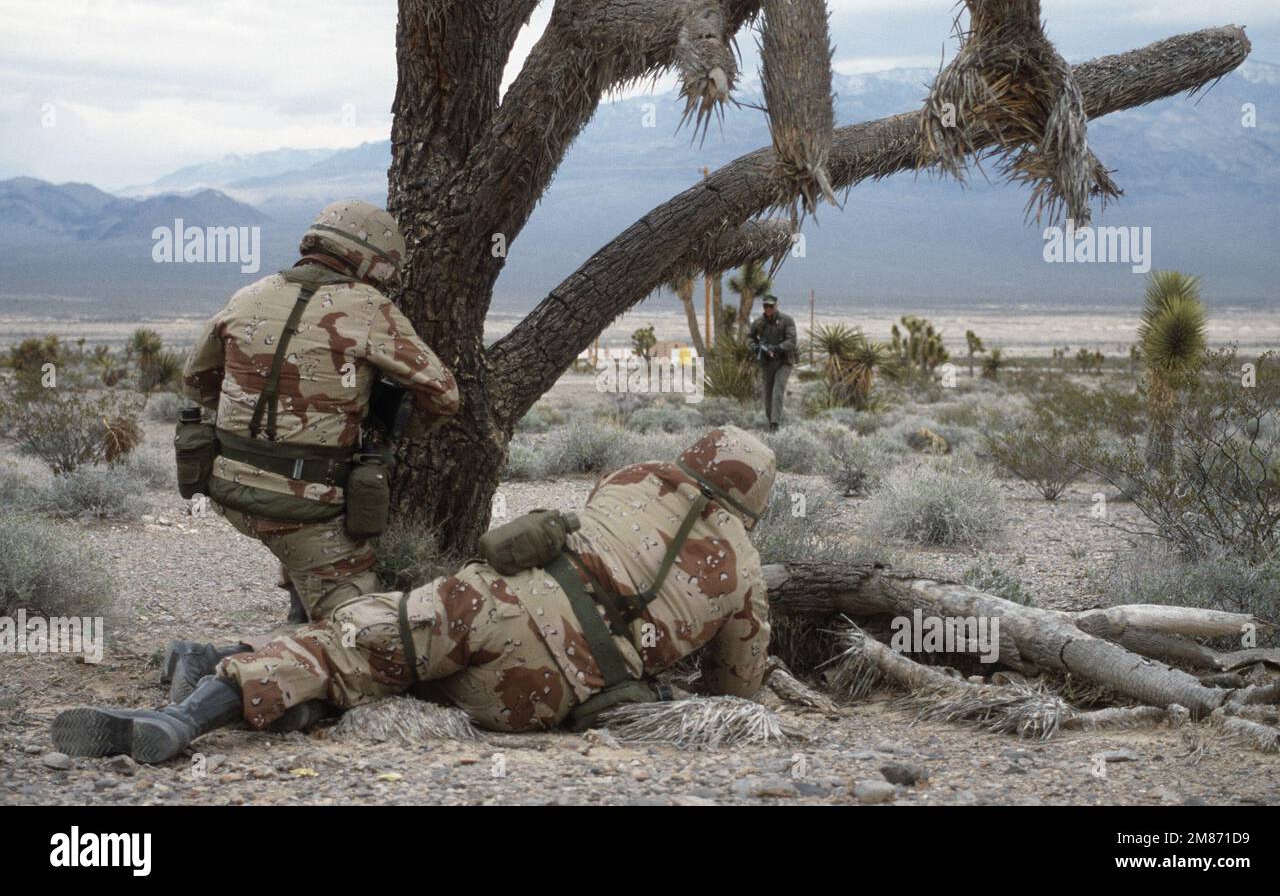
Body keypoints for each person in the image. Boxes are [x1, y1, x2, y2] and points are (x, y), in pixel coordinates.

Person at [52, 427, 776, 763]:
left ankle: (186, 714)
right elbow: (735, 689)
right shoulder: (745, 571)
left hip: (492, 602)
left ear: (695, 456)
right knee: (404, 686)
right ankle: (236, 677)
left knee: (352, 650)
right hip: (541, 698)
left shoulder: (633, 475)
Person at [179, 200, 460, 625]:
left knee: (294, 545)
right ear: (374, 261)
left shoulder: (249, 294)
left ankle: (297, 614)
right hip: (306, 507)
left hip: (228, 487)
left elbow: (196, 380)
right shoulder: (369, 308)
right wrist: (390, 427)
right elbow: (444, 394)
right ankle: (212, 663)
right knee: (362, 637)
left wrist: (250, 422)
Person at [747, 293, 798, 431]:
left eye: (771, 306)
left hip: (784, 361)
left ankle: (775, 425)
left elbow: (792, 340)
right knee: (768, 394)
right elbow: (749, 337)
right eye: (766, 306)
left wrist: (778, 347)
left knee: (777, 392)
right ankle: (771, 423)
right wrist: (756, 347)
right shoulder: (759, 323)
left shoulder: (786, 321)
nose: (768, 308)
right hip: (767, 362)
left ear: (776, 306)